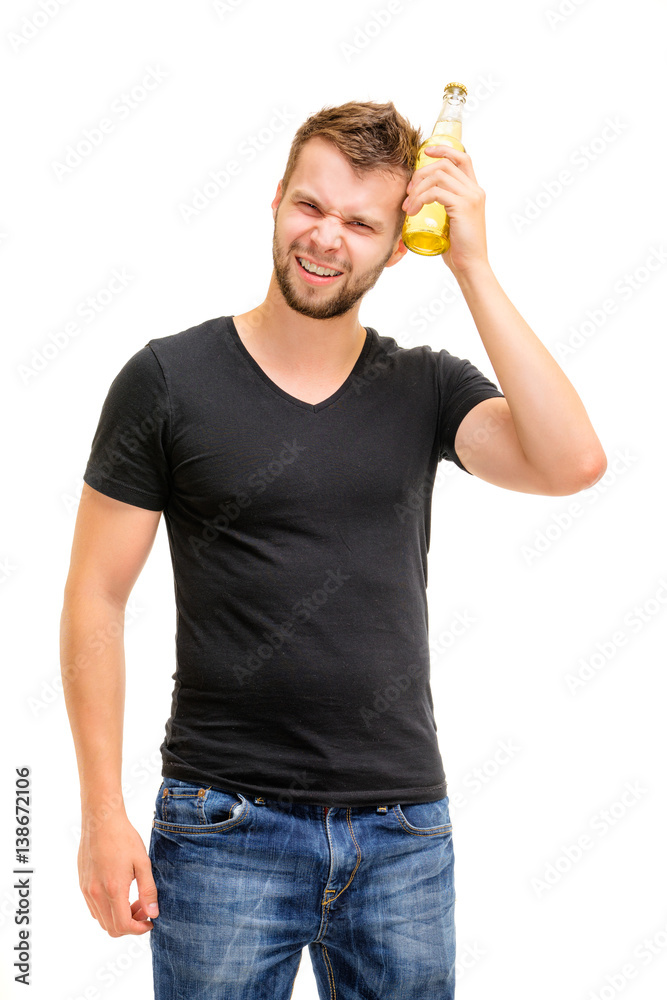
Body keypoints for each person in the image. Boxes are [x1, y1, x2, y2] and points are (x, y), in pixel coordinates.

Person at [60, 100, 607, 999]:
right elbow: (95, 599)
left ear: (399, 245)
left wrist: (471, 263)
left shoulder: (427, 385)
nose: (326, 238)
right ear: (275, 200)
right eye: (310, 206)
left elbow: (571, 462)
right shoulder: (166, 380)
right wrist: (100, 815)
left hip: (401, 835)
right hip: (220, 828)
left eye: (360, 223)